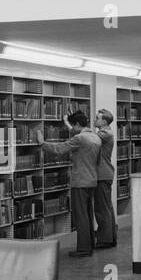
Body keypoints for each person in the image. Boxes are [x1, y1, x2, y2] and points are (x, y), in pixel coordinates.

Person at [38, 111, 102, 257]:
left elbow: (60, 149)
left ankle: (83, 249)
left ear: (78, 124)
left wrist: (42, 143)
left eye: (73, 125)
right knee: (88, 214)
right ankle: (90, 244)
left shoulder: (80, 138)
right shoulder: (96, 137)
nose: (72, 128)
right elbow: (98, 161)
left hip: (80, 181)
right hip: (92, 179)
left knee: (80, 216)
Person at [92, 109, 118, 248]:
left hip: (102, 174)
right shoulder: (105, 132)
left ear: (104, 121)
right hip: (104, 173)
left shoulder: (105, 133)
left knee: (102, 209)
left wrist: (70, 126)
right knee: (107, 207)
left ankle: (104, 240)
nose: (95, 120)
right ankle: (110, 238)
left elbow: (87, 139)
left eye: (97, 118)